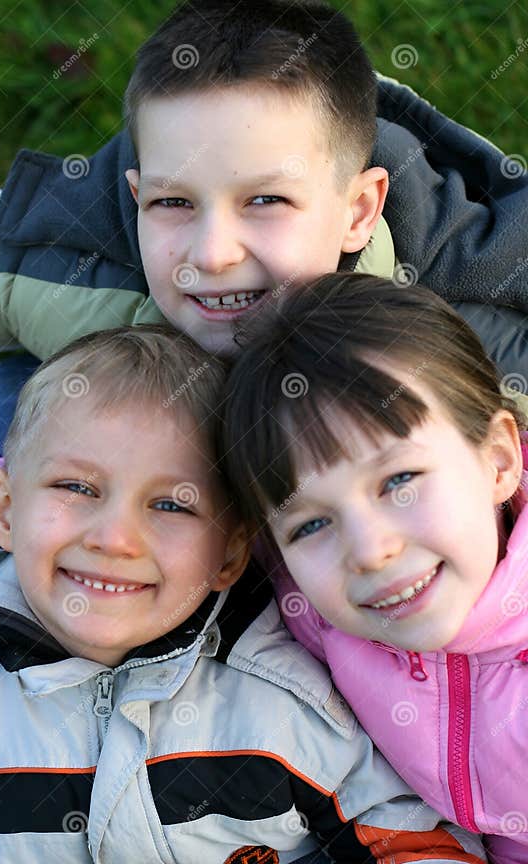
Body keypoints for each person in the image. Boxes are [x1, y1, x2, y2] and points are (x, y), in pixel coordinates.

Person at [0, 322, 488, 864]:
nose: (113, 539)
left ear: (231, 554)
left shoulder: (288, 698)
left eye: (171, 505)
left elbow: (414, 840)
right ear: (5, 509)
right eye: (77, 488)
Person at [0, 0, 528, 462]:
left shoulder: (442, 335)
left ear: (357, 212)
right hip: (141, 449)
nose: (211, 253)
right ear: (136, 200)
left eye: (265, 200)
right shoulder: (82, 287)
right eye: (173, 201)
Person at [219, 272, 528, 864]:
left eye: (399, 482)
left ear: (497, 461)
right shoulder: (309, 603)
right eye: (311, 525)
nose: (367, 550)